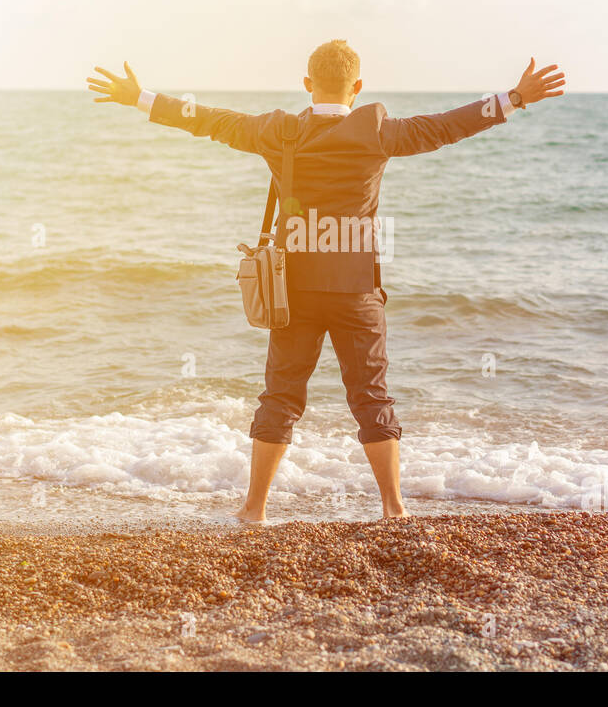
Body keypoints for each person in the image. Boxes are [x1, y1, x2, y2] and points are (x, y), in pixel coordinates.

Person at [87, 41, 565, 521]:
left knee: (280, 396)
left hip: (292, 291)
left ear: (307, 85)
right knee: (371, 396)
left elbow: (209, 119)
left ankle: (254, 510)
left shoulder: (276, 132)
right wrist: (514, 98)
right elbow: (445, 126)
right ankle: (393, 507)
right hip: (356, 290)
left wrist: (139, 96)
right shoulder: (378, 131)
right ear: (357, 87)